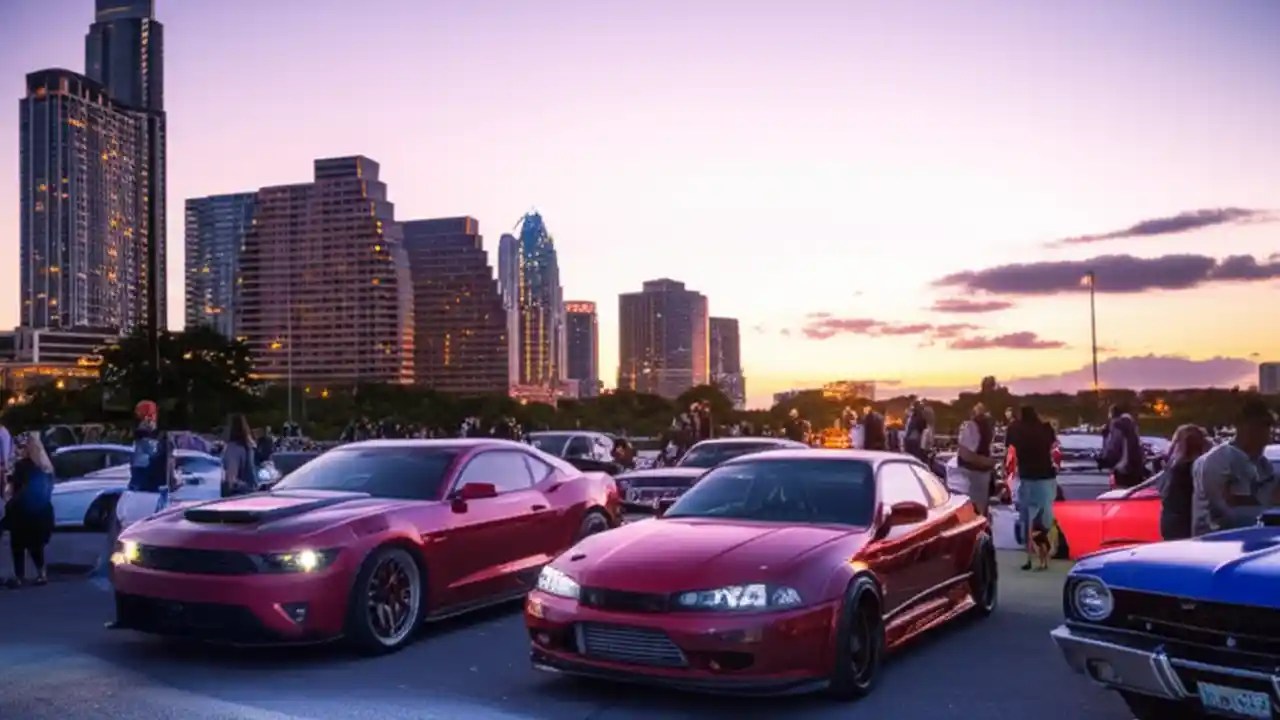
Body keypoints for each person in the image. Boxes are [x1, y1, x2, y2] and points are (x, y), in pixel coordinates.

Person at [1191, 399, 1277, 536]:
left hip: (1256, 539)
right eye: (1260, 425)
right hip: (1216, 542)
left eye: (1269, 425)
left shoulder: (1264, 465)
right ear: (1242, 426)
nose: (1267, 431)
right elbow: (1227, 510)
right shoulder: (1219, 460)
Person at [1007, 406, 1058, 571]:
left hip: (1027, 476)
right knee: (1044, 518)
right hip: (1046, 477)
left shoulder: (1016, 429)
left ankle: (1028, 557)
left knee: (1027, 518)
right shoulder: (1046, 429)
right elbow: (1053, 447)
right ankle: (1045, 557)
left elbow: (1010, 448)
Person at [3, 432, 55, 588]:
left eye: (20, 448)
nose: (16, 451)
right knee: (35, 544)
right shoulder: (45, 467)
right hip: (41, 510)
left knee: (18, 544)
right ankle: (41, 573)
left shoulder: (21, 466)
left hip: (22, 511)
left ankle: (20, 576)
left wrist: (11, 498)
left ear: (27, 449)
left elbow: (15, 489)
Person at [116, 400, 177, 530]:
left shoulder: (135, 440)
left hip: (138, 490)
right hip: (154, 492)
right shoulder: (160, 440)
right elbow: (168, 468)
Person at [1157, 424, 1210, 540]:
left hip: (1172, 523)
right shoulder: (1200, 468)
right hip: (1189, 524)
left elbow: (1162, 492)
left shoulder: (1173, 468)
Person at [946, 402, 997, 516]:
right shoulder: (972, 426)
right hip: (973, 475)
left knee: (980, 509)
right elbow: (966, 454)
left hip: (980, 474)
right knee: (976, 510)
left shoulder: (982, 427)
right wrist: (986, 461)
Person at [1098, 404, 1147, 488]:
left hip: (1123, 469)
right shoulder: (1131, 426)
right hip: (1135, 468)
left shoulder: (1117, 425)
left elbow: (1113, 447)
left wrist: (1105, 460)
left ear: (1111, 414)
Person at [222, 413, 258, 496]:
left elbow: (231, 481)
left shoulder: (233, 449)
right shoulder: (247, 447)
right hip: (250, 494)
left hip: (237, 497)